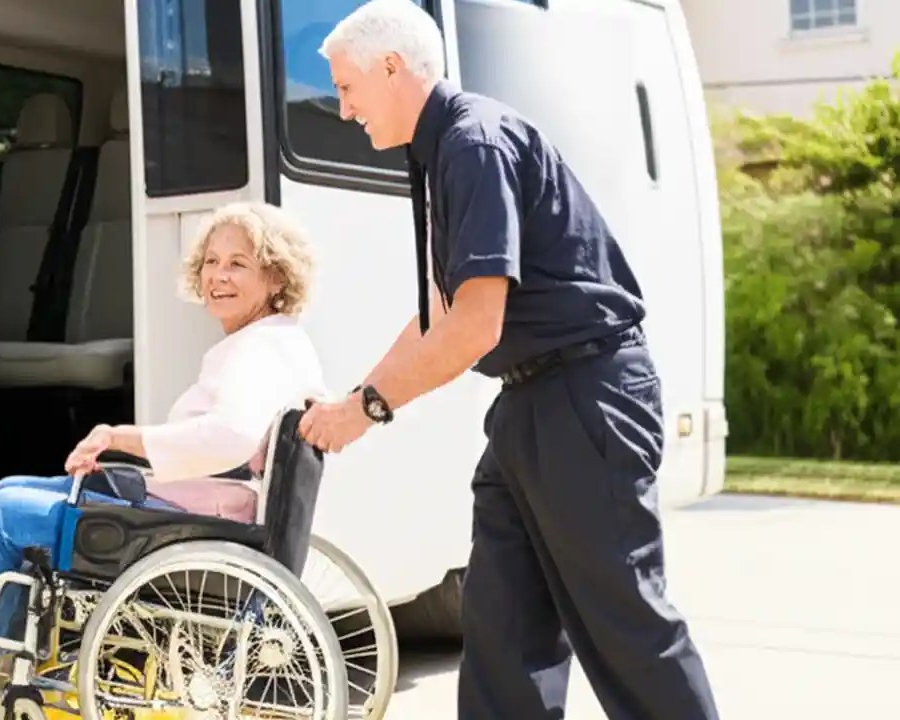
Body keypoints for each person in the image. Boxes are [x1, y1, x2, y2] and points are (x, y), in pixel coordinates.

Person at [297, 2, 721, 719]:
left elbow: (474, 329)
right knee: (503, 629)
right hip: (532, 402)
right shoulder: (440, 154)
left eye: (347, 87)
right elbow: (436, 310)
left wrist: (365, 411)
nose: (343, 110)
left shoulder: (474, 144)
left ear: (393, 67)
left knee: (623, 623)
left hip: (587, 395)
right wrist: (351, 400)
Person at [0, 200, 326, 715]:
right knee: (6, 491)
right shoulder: (270, 342)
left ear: (275, 276)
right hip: (194, 506)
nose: (218, 276)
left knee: (8, 514)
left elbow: (228, 437)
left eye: (237, 263)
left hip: (193, 522)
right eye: (211, 261)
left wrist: (119, 436)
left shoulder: (260, 350)